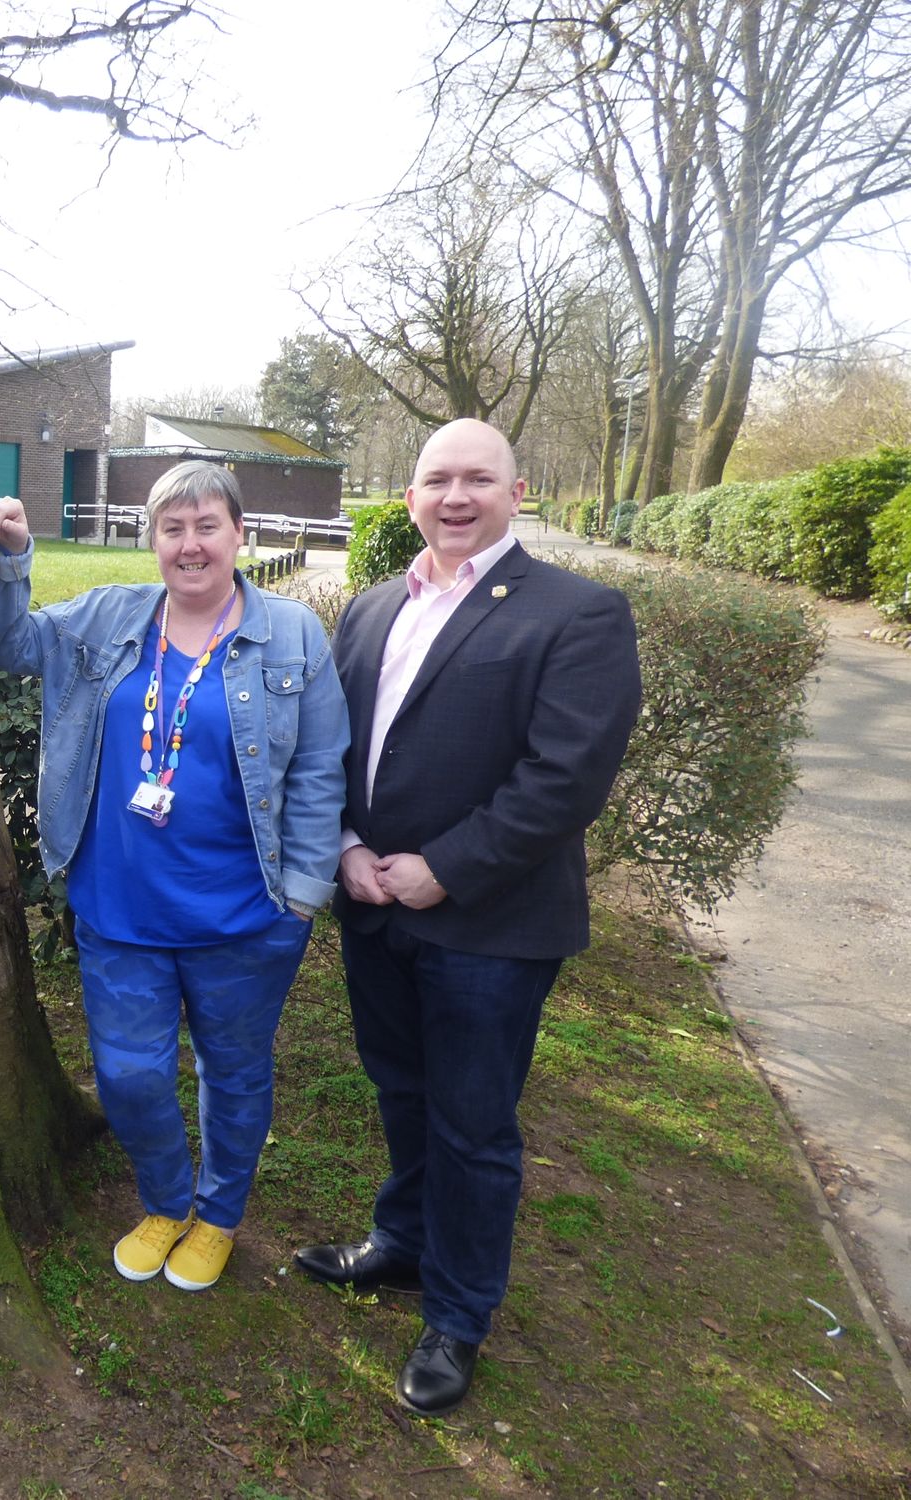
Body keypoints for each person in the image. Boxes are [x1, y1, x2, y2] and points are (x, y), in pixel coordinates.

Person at [293, 418, 641, 1417]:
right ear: (408, 497)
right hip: (373, 907)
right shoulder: (370, 608)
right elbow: (333, 747)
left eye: (477, 479)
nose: (455, 497)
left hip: (490, 925)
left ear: (515, 493)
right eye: (436, 479)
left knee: (473, 1126)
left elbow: (565, 778)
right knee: (401, 1093)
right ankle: (403, 1244)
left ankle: (457, 1314)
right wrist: (345, 848)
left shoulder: (576, 613)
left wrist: (442, 870)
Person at [0, 461, 349, 1292]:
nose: (190, 545)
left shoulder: (292, 635)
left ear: (238, 534)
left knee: (235, 1074)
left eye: (207, 526)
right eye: (172, 528)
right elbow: (13, 644)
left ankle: (218, 1217)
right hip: (120, 914)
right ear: (152, 539)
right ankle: (165, 1202)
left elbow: (321, 768)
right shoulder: (110, 616)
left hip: (248, 919)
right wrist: (13, 556)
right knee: (129, 1075)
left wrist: (301, 898)